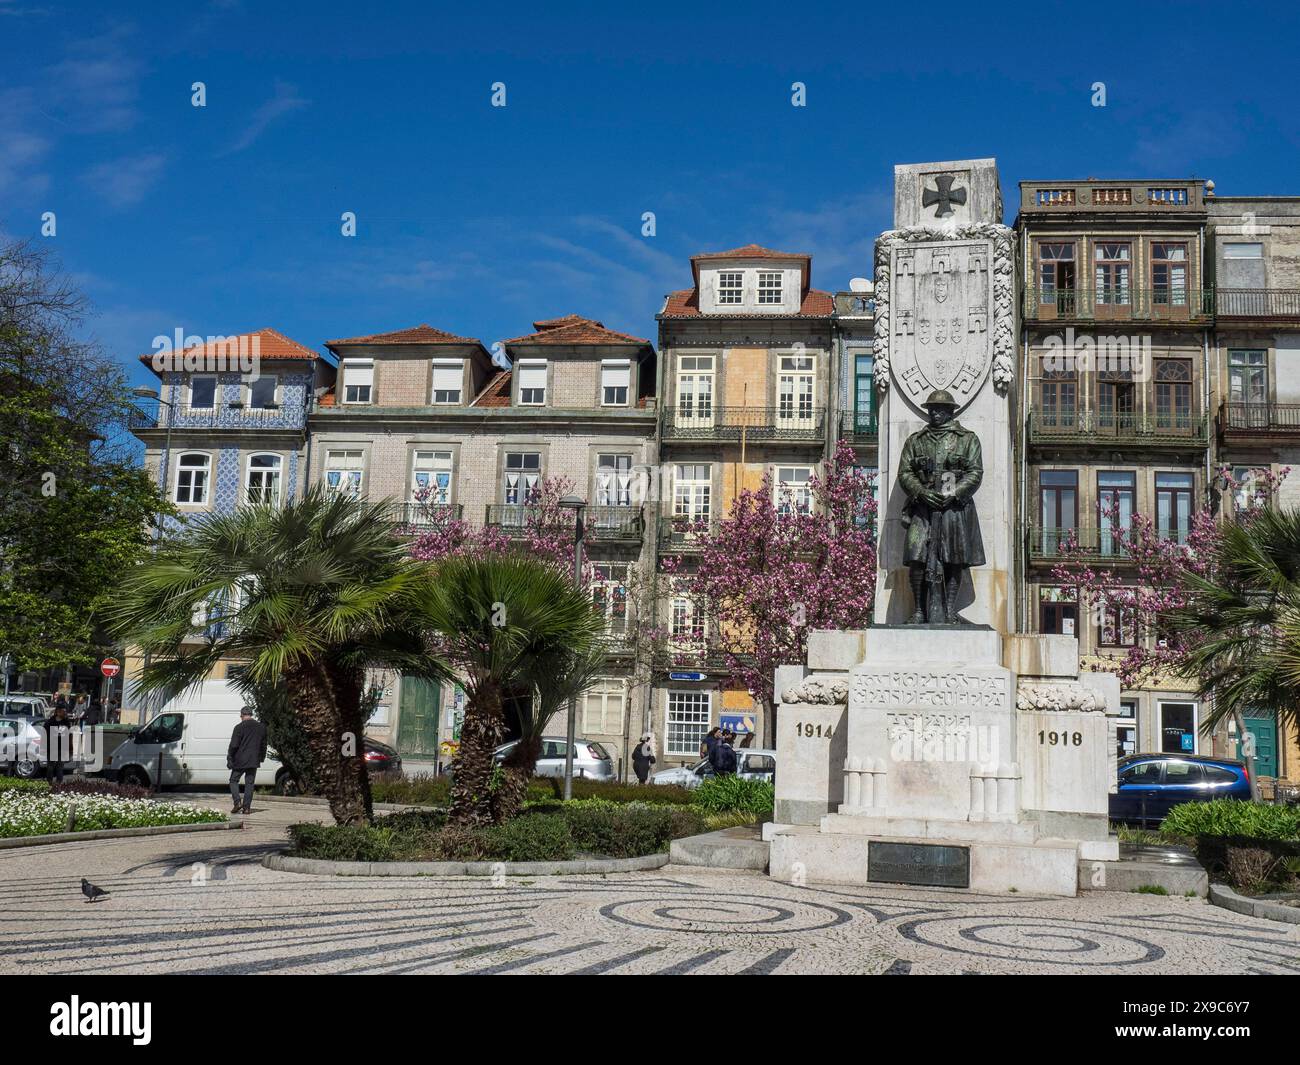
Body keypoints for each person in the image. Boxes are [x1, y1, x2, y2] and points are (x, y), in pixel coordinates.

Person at [898, 389, 986, 625]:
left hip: (954, 509)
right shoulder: (915, 441)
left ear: (950, 411)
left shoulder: (967, 439)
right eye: (932, 409)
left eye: (940, 409)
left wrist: (955, 493)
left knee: (953, 558)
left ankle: (948, 610)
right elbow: (905, 473)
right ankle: (918, 610)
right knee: (916, 555)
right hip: (922, 507)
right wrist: (921, 492)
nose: (935, 413)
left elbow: (975, 472)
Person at [226, 707, 268, 815]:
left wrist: (230, 757)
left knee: (233, 780)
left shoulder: (239, 727)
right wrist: (261, 757)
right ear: (251, 714)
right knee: (249, 783)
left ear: (242, 715)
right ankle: (247, 808)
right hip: (254, 759)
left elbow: (234, 745)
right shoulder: (261, 727)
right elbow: (263, 745)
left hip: (240, 759)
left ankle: (237, 802)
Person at [43, 702, 74, 784]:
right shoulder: (50, 722)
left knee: (60, 767)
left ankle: (59, 783)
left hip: (62, 748)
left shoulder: (66, 722)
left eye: (65, 711)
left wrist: (70, 747)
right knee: (50, 767)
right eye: (64, 711)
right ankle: (49, 782)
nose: (65, 713)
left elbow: (70, 735)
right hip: (51, 747)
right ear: (58, 711)